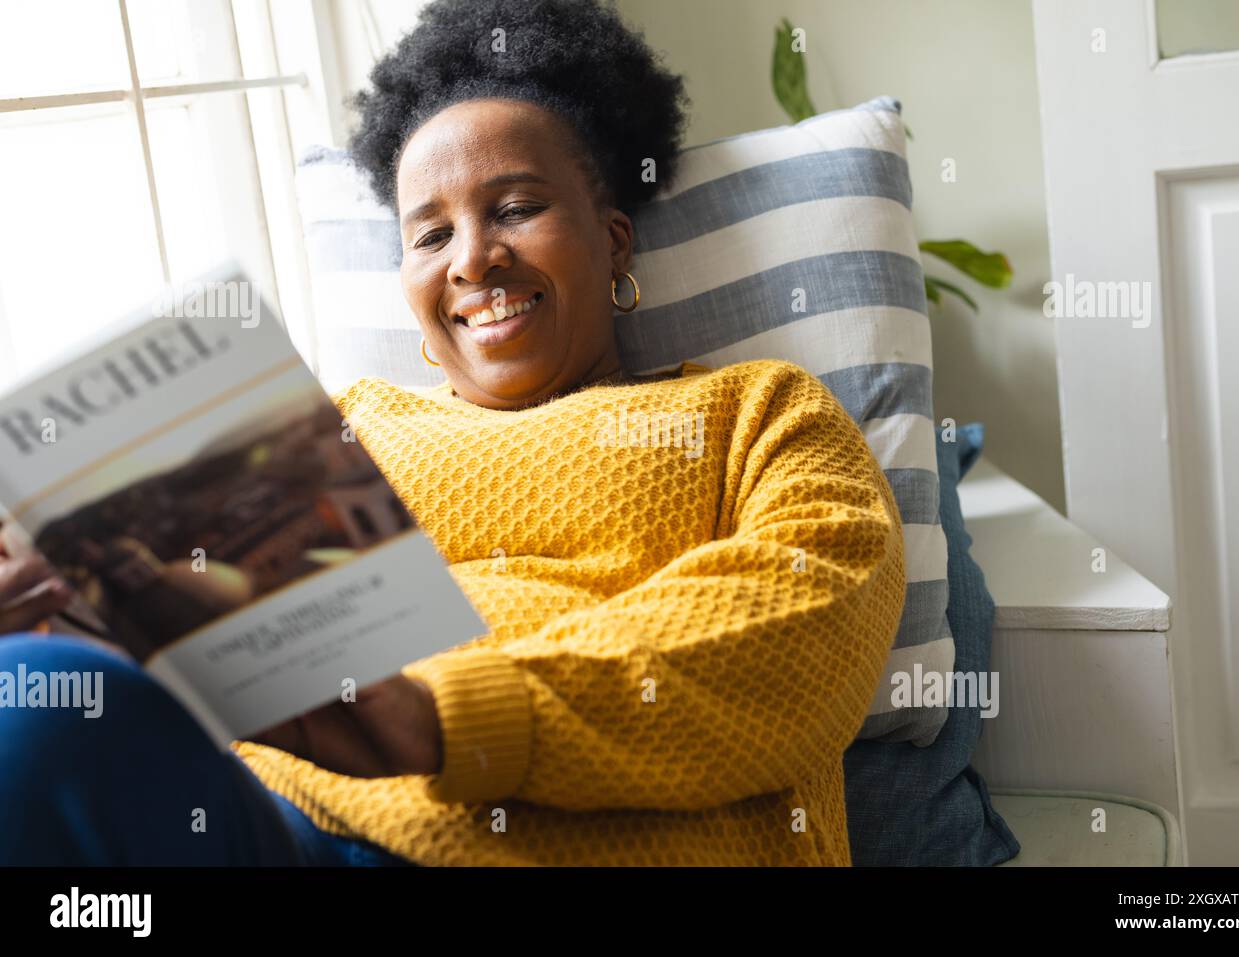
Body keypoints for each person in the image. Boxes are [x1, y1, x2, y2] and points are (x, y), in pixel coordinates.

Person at [0, 0, 906, 866]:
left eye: (515, 209)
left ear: (615, 239)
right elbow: (194, 647)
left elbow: (812, 625)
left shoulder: (758, 411)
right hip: (271, 829)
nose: (472, 258)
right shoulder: (342, 429)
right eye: (430, 235)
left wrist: (442, 716)